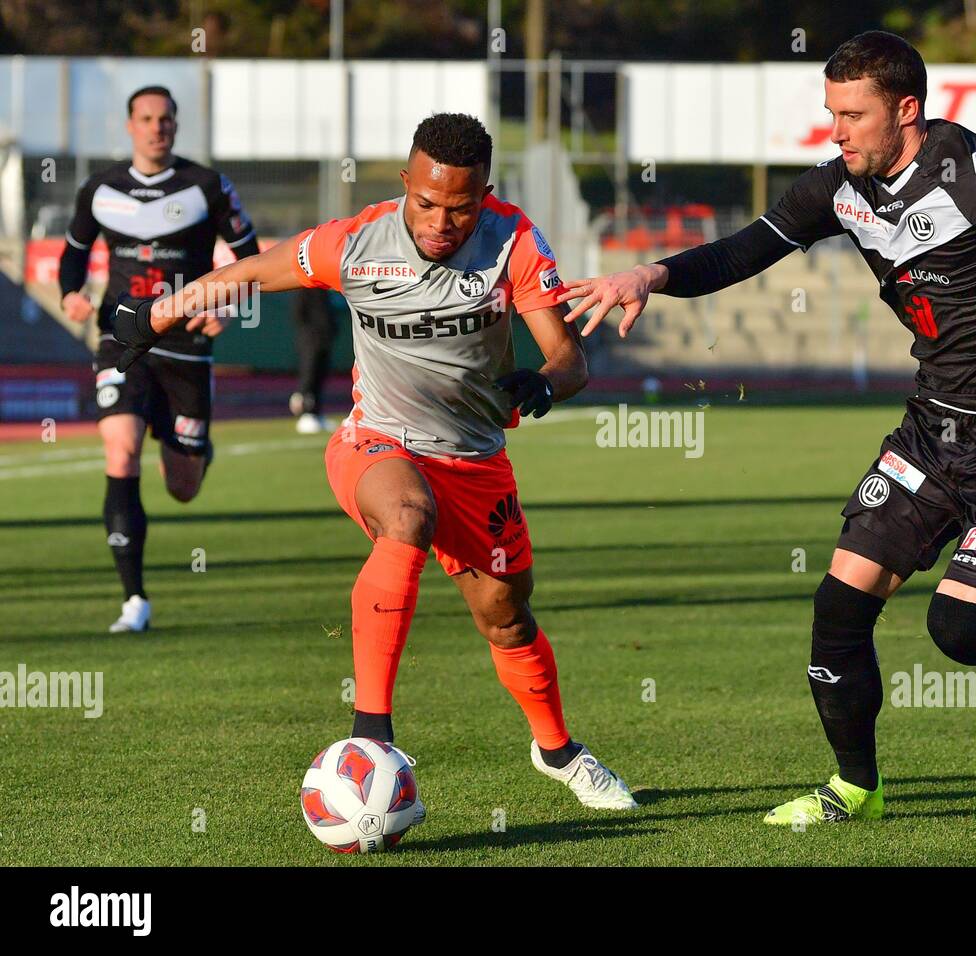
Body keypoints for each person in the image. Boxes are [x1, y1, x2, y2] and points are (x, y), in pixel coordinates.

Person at [560, 32, 976, 824]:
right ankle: (854, 788)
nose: (835, 131)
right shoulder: (837, 189)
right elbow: (741, 253)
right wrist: (651, 274)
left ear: (907, 111)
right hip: (934, 426)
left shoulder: (975, 173)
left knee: (962, 628)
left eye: (852, 115)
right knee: (838, 610)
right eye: (830, 113)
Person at [110, 113, 637, 811]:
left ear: (484, 196)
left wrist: (545, 379)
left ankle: (558, 751)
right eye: (426, 203)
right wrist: (156, 317)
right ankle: (371, 736)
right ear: (405, 185)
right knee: (407, 518)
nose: (441, 222)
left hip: (475, 461)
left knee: (507, 618)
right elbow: (253, 273)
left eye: (460, 207)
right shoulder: (355, 242)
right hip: (377, 442)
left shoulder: (511, 240)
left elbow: (569, 354)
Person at [59, 85, 259, 633]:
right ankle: (134, 600)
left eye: (165, 119)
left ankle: (195, 446)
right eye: (146, 119)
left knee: (183, 487)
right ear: (130, 125)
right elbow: (72, 258)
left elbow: (250, 262)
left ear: (176, 125)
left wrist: (231, 301)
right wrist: (70, 294)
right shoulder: (99, 189)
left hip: (187, 346)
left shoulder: (208, 186)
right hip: (122, 338)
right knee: (120, 452)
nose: (156, 128)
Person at [288, 287, 338, 434]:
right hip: (310, 339)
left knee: (320, 374)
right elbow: (298, 313)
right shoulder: (304, 288)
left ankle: (316, 413)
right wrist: (310, 333)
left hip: (324, 339)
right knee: (309, 374)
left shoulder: (323, 290)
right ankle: (305, 414)